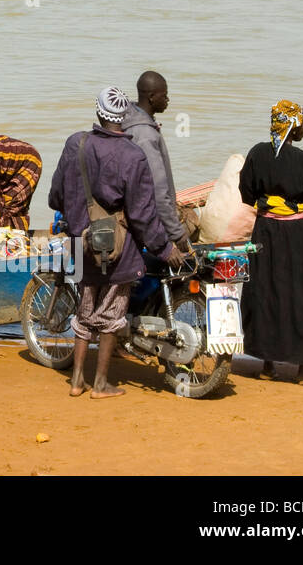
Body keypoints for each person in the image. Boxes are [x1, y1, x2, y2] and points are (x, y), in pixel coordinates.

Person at [48, 88, 184, 399]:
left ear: (98, 112)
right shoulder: (133, 155)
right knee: (112, 314)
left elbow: (57, 192)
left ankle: (76, 381)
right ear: (123, 117)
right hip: (119, 247)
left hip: (81, 242)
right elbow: (142, 213)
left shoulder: (75, 143)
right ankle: (101, 384)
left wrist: (71, 219)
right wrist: (165, 248)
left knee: (85, 310)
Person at [239, 100, 303, 385]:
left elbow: (246, 192)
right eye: (301, 123)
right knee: (301, 296)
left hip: (265, 231)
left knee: (265, 291)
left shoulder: (257, 154)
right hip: (296, 236)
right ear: (293, 126)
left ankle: (268, 366)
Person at [121, 70, 191, 249]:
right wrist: (177, 234)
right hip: (147, 225)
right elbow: (158, 191)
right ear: (152, 97)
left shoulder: (133, 122)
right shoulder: (144, 135)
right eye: (165, 95)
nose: (167, 100)